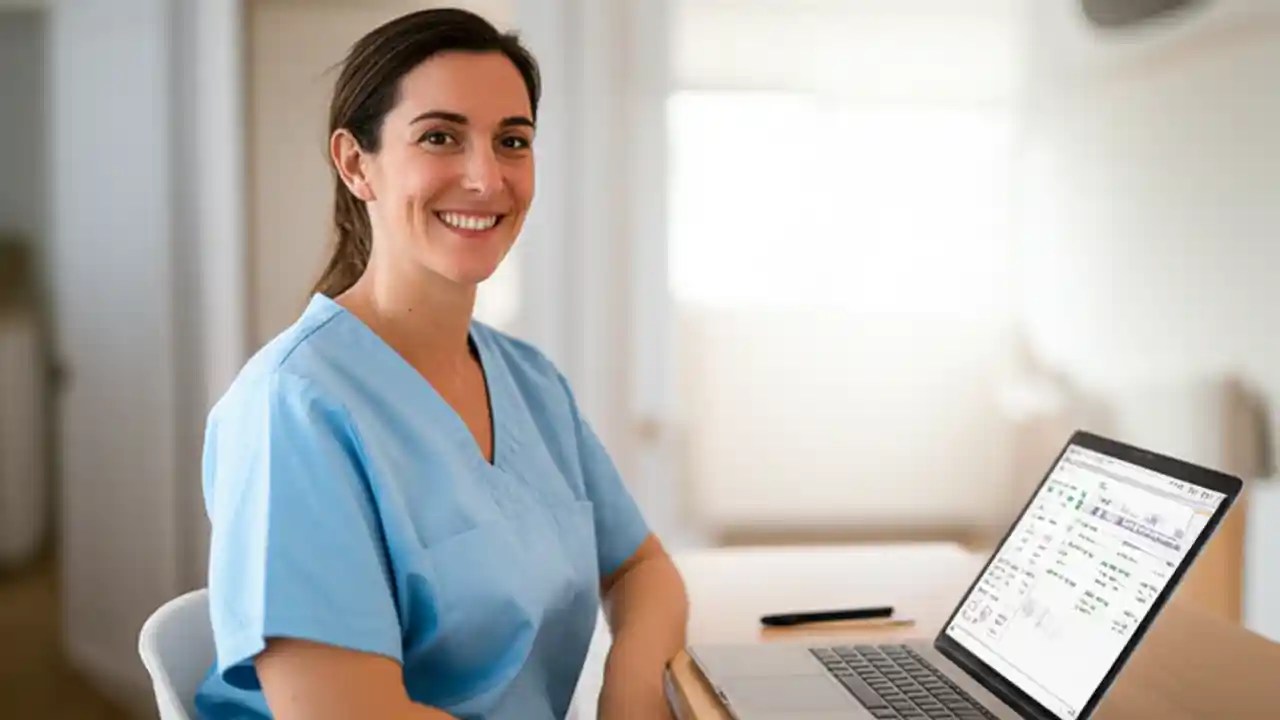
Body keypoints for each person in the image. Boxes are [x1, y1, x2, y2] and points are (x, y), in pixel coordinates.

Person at [194, 8, 689, 719]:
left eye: (512, 141)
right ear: (355, 163)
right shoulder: (293, 407)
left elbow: (643, 568)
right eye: (439, 137)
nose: (486, 178)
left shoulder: (528, 381)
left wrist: (631, 687)